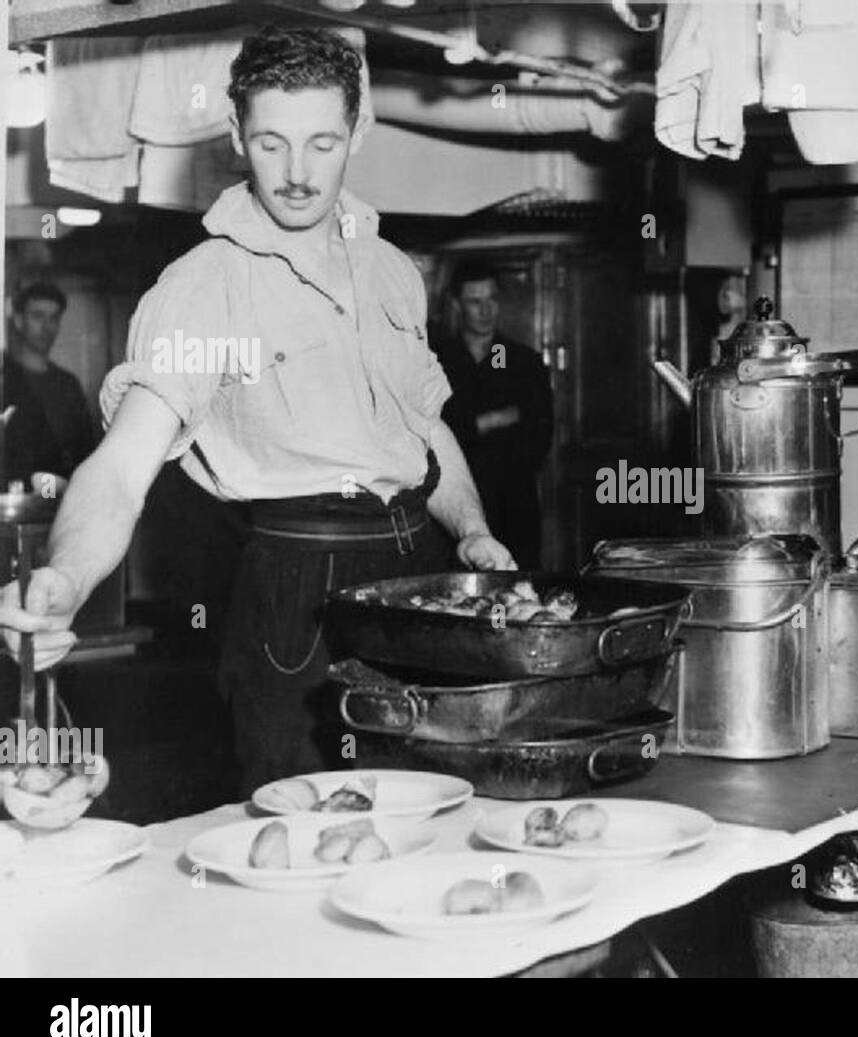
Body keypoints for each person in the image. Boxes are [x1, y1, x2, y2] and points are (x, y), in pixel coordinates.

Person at [0, 27, 513, 792]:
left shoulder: (391, 270)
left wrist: (472, 532)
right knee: (306, 844)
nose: (298, 175)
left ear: (359, 131)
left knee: (436, 821)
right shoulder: (204, 287)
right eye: (272, 144)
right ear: (237, 135)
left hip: (421, 583)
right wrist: (66, 581)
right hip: (298, 598)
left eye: (321, 143)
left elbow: (425, 427)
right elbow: (122, 466)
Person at [437, 262, 554, 569]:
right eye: (475, 301)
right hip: (453, 508)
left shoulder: (523, 362)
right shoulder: (438, 360)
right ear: (456, 304)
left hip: (514, 504)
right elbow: (434, 431)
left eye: (492, 299)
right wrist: (493, 420)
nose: (486, 310)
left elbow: (540, 436)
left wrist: (469, 427)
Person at [2, 282, 99, 488]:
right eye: (37, 316)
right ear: (19, 321)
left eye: (53, 318)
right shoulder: (6, 377)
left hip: (54, 499)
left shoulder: (67, 384)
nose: (46, 327)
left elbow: (85, 451)